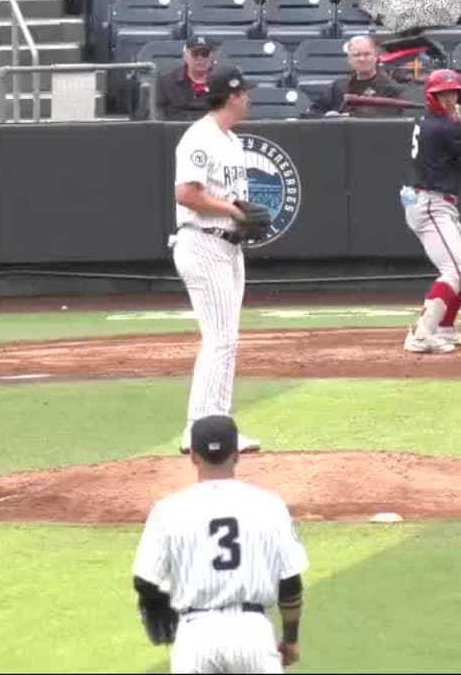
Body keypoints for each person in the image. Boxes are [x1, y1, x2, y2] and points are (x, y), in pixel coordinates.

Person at [132, 415, 308, 673]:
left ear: (193, 456)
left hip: (196, 637)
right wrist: (290, 639)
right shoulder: (269, 505)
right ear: (237, 454)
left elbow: (144, 581)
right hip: (253, 635)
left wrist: (161, 607)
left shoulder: (169, 510)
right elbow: (290, 584)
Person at [170, 67, 267, 454]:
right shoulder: (200, 137)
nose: (249, 98)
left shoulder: (231, 140)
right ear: (231, 96)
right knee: (219, 340)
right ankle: (198, 428)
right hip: (202, 243)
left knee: (227, 341)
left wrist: (237, 214)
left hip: (227, 246)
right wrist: (232, 209)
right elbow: (185, 194)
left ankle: (219, 426)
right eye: (245, 92)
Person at [401, 70, 461, 354]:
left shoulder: (433, 121)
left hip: (438, 203)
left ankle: (444, 329)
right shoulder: (442, 128)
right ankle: (420, 335)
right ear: (431, 97)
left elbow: (453, 116)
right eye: (442, 95)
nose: (449, 98)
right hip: (431, 204)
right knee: (454, 271)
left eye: (453, 93)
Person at [308, 35, 405, 117]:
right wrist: (327, 117)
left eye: (367, 54)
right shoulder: (337, 87)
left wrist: (349, 117)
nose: (362, 59)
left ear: (376, 57)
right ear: (349, 60)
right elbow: (313, 113)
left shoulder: (391, 90)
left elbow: (390, 120)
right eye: (356, 55)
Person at [156, 36, 218, 122]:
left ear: (212, 56)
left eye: (205, 54)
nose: (200, 58)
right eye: (195, 54)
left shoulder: (224, 81)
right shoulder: (167, 82)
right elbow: (159, 116)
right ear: (185, 56)